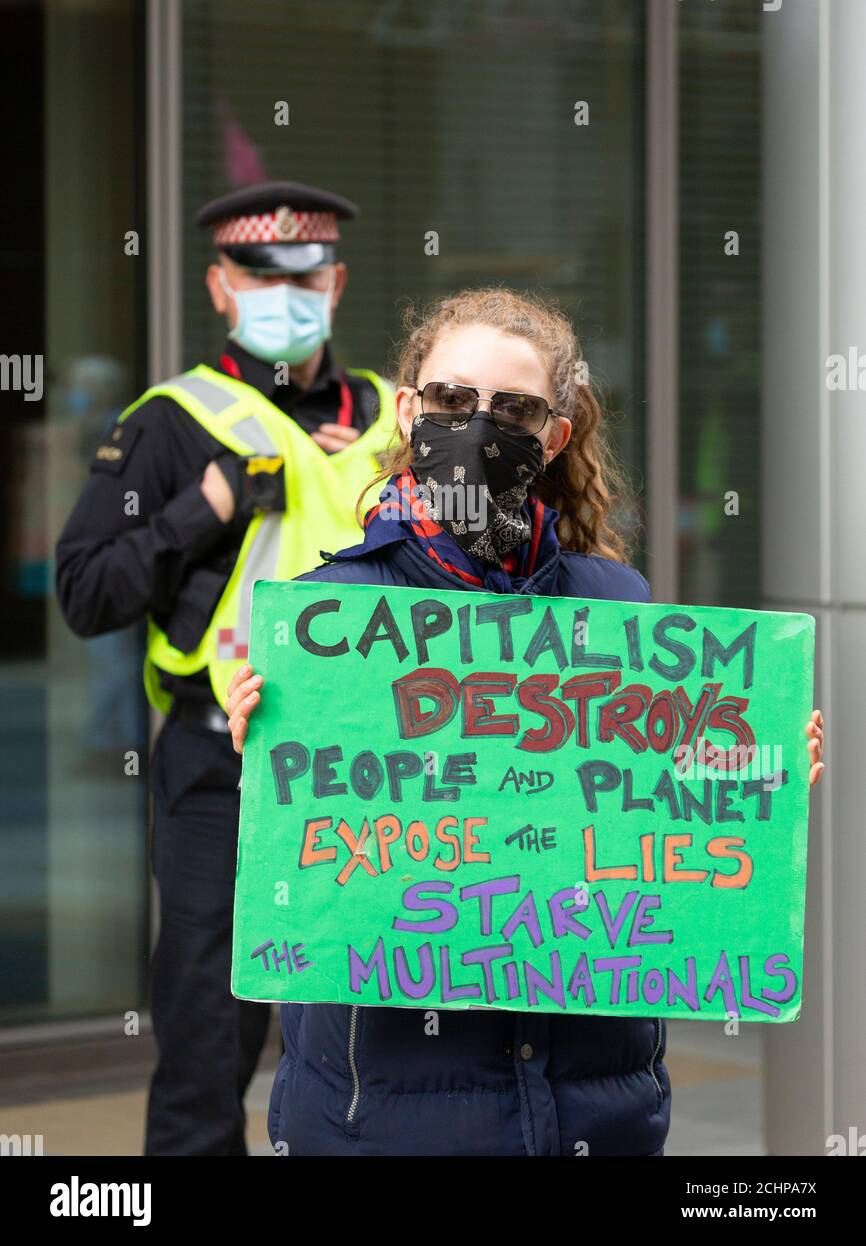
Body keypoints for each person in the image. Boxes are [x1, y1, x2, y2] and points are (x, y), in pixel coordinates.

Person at [226, 286, 825, 1157]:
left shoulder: (618, 608)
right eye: (452, 401)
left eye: (513, 410)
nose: (476, 427)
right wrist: (264, 757)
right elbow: (310, 873)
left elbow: (651, 791)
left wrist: (758, 772)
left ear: (555, 436)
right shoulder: (330, 622)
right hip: (388, 1122)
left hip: (595, 1109)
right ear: (408, 409)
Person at [56, 181, 396, 1156]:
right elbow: (86, 592)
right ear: (218, 285)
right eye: (257, 276)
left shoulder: (388, 422)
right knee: (210, 1044)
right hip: (223, 776)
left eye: (302, 276)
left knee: (374, 1047)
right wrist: (200, 508)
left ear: (333, 284)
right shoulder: (172, 422)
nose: (281, 295)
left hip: (372, 778)